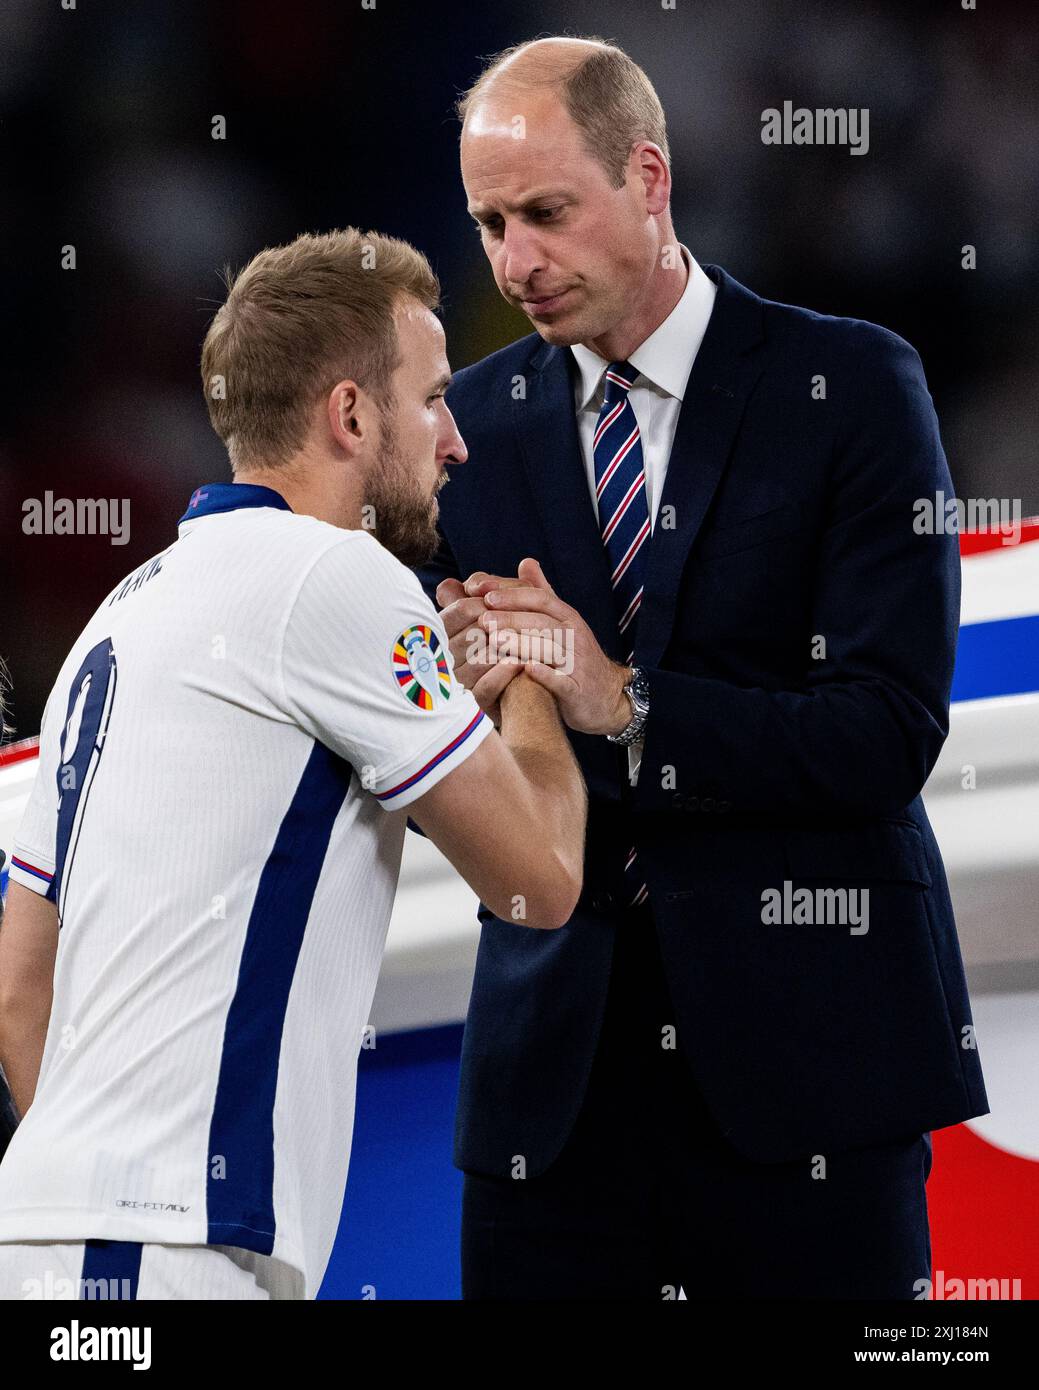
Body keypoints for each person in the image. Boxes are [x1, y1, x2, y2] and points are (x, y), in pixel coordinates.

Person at [417, 36, 989, 1299]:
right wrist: (452, 688)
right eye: (490, 222)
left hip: (812, 1080)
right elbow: (417, 725)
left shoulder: (848, 386)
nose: (514, 263)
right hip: (549, 1100)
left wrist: (620, 700)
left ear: (651, 178)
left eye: (547, 213)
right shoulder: (466, 425)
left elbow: (886, 729)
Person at [0, 227, 586, 1301]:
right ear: (352, 414)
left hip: (66, 1233)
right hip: (169, 1251)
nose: (454, 440)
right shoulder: (340, 577)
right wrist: (530, 675)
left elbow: (20, 986)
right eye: (432, 399)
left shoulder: (119, 614)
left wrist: (97, 1193)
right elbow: (538, 878)